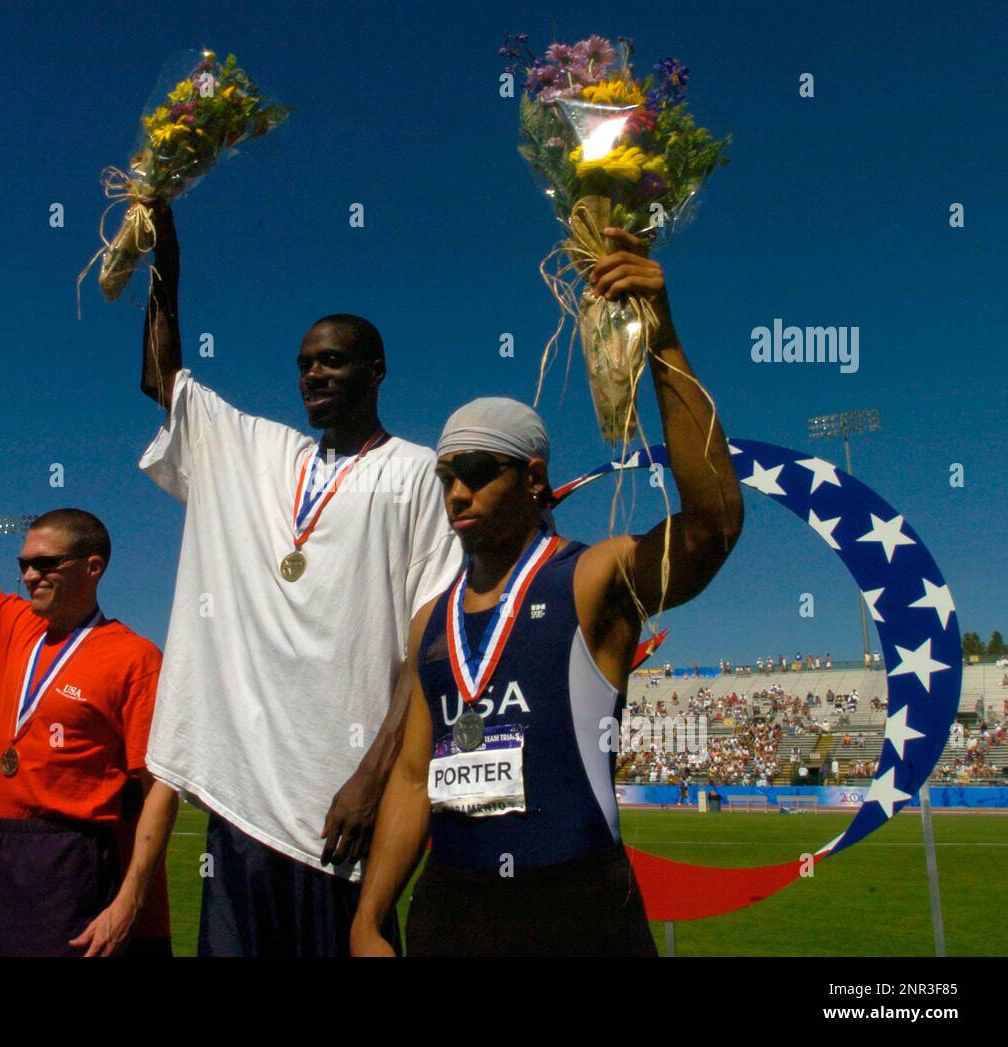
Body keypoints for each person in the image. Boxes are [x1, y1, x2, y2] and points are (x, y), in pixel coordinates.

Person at [352, 226, 744, 956]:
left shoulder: (589, 578)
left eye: (478, 469)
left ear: (533, 477)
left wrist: (660, 341)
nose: (458, 489)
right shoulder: (429, 621)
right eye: (446, 475)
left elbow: (712, 528)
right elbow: (412, 775)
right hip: (451, 906)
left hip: (576, 903)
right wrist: (371, 912)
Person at [135, 199, 461, 955]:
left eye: (333, 359)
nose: (314, 372)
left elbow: (431, 640)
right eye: (305, 363)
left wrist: (375, 772)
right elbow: (162, 377)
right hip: (241, 806)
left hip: (341, 808)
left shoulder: (418, 473)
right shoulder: (255, 449)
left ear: (376, 370)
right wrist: (164, 261)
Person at [0, 437, 176, 957]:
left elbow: (160, 789)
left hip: (70, 855)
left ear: (93, 567)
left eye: (45, 563)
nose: (27, 575)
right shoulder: (13, 624)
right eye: (23, 563)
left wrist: (130, 901)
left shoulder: (135, 658)